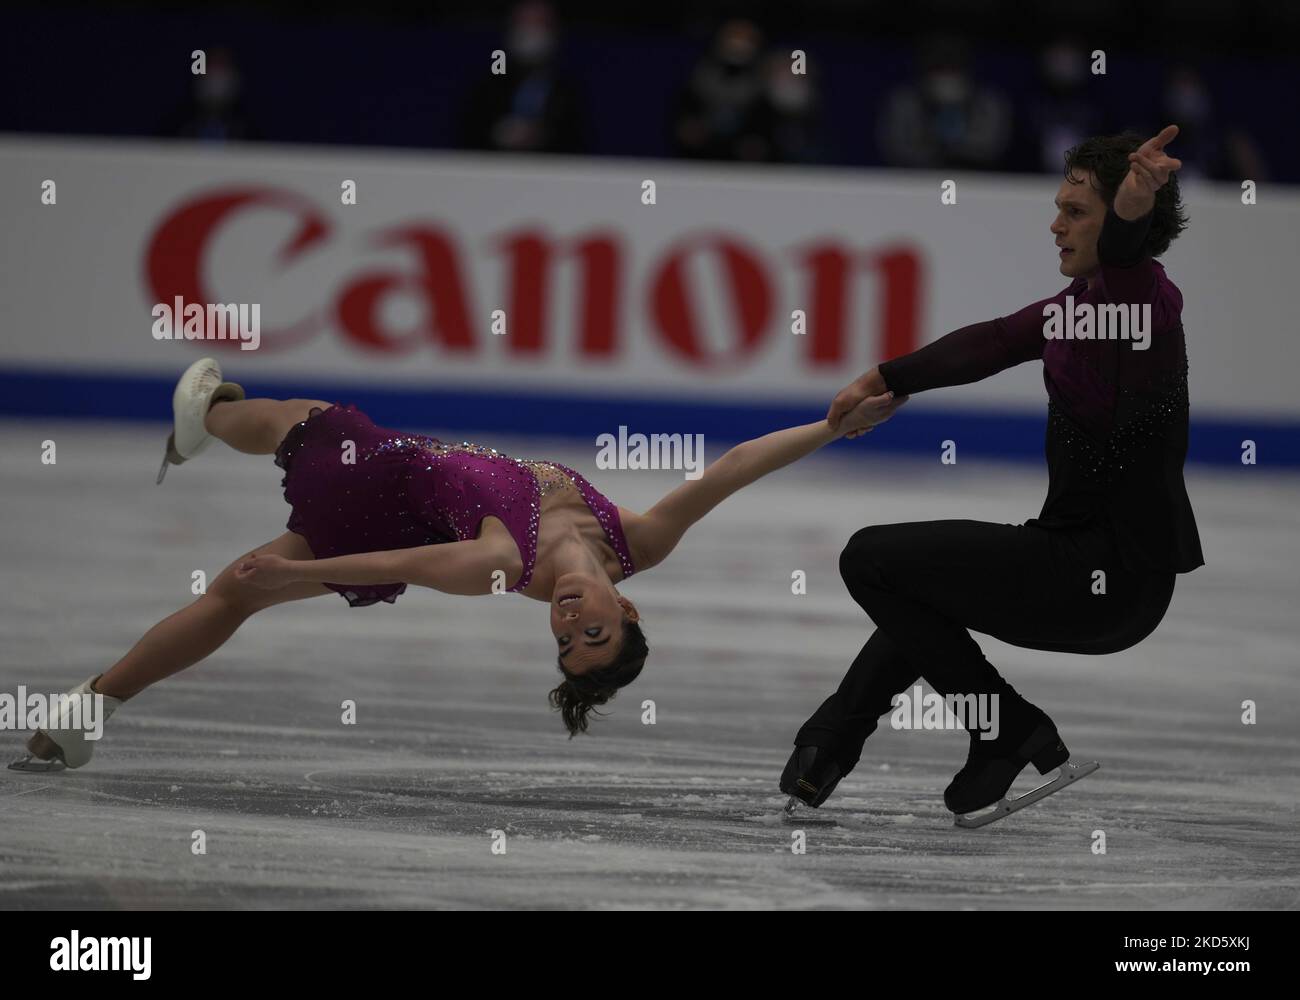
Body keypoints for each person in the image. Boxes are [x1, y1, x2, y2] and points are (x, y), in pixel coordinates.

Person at [14, 359, 907, 771]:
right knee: (238, 583)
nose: (568, 622)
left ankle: (207, 419)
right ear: (628, 613)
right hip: (384, 496)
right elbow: (733, 468)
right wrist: (833, 428)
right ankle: (89, 707)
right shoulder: (642, 542)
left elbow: (411, 557)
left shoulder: (500, 567)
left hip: (382, 474)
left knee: (304, 423)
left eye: (564, 643)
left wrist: (296, 574)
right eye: (591, 630)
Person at [781, 126, 1202, 822]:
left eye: (1076, 212)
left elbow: (1125, 257)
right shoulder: (1080, 311)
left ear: (1125, 219)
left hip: (1108, 575)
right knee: (920, 585)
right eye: (1059, 207)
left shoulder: (1142, 309)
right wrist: (886, 378)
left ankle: (1003, 728)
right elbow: (994, 342)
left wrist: (1133, 206)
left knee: (871, 558)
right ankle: (836, 744)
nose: (1055, 224)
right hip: (1076, 564)